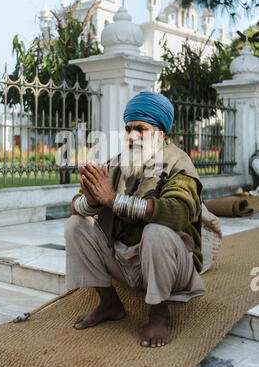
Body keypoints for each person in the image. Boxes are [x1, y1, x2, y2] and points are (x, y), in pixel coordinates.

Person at [64, 91, 206, 348]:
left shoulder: (179, 165)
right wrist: (92, 201)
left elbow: (177, 212)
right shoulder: (117, 163)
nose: (131, 136)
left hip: (172, 267)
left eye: (141, 128)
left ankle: (159, 313)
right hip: (126, 262)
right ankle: (109, 304)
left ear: (161, 134)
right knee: (76, 225)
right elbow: (75, 205)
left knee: (156, 231)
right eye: (128, 128)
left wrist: (113, 201)